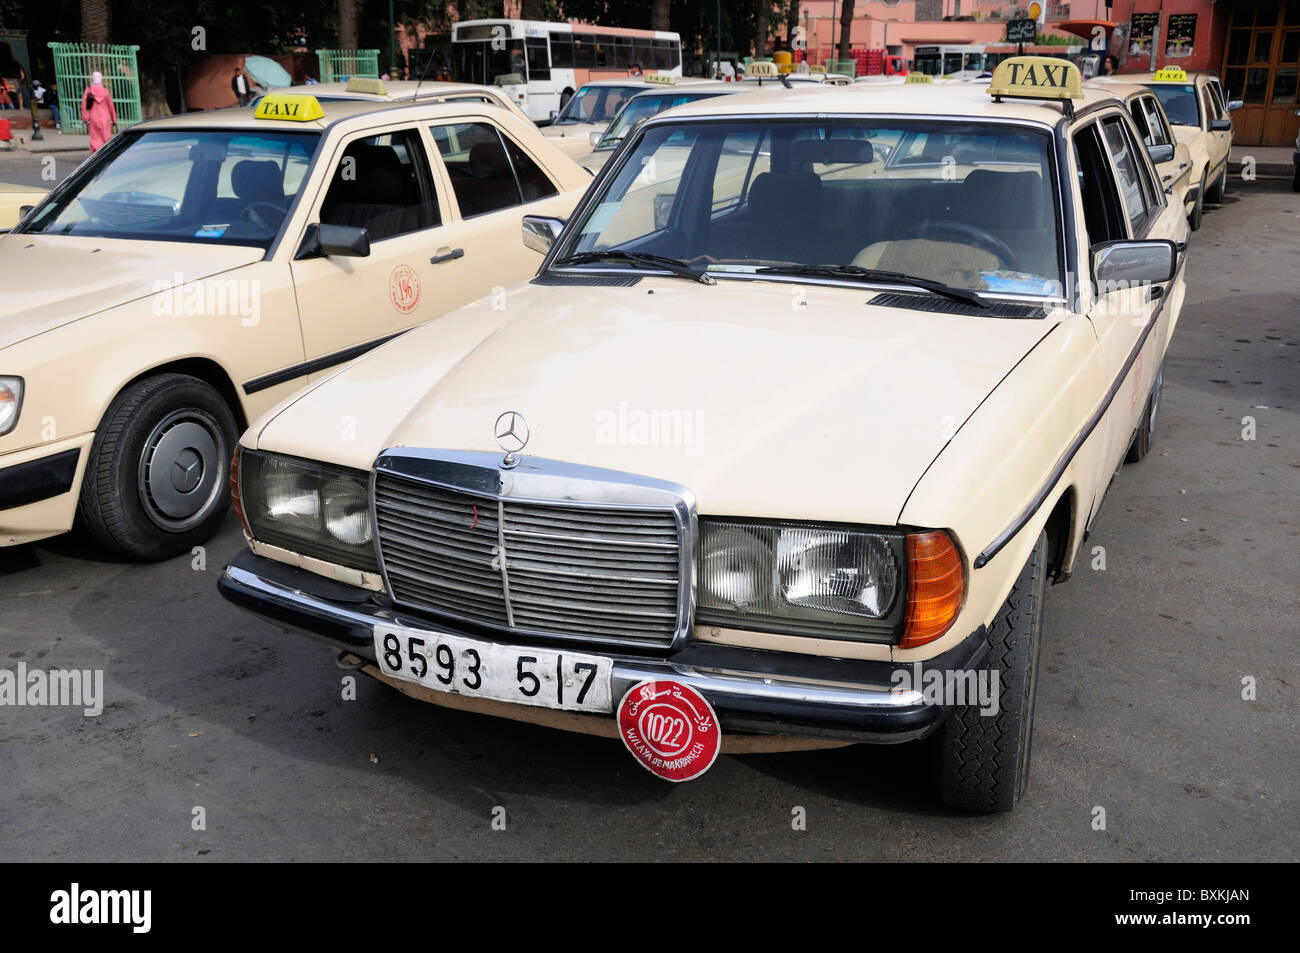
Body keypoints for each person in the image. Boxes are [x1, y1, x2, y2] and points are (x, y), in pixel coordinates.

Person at [81, 70, 117, 153]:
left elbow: (84, 105)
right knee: (105, 137)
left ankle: (95, 154)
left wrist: (85, 118)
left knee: (94, 138)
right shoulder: (105, 92)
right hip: (105, 118)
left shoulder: (88, 91)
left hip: (94, 118)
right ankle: (104, 154)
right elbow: (111, 106)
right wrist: (114, 120)